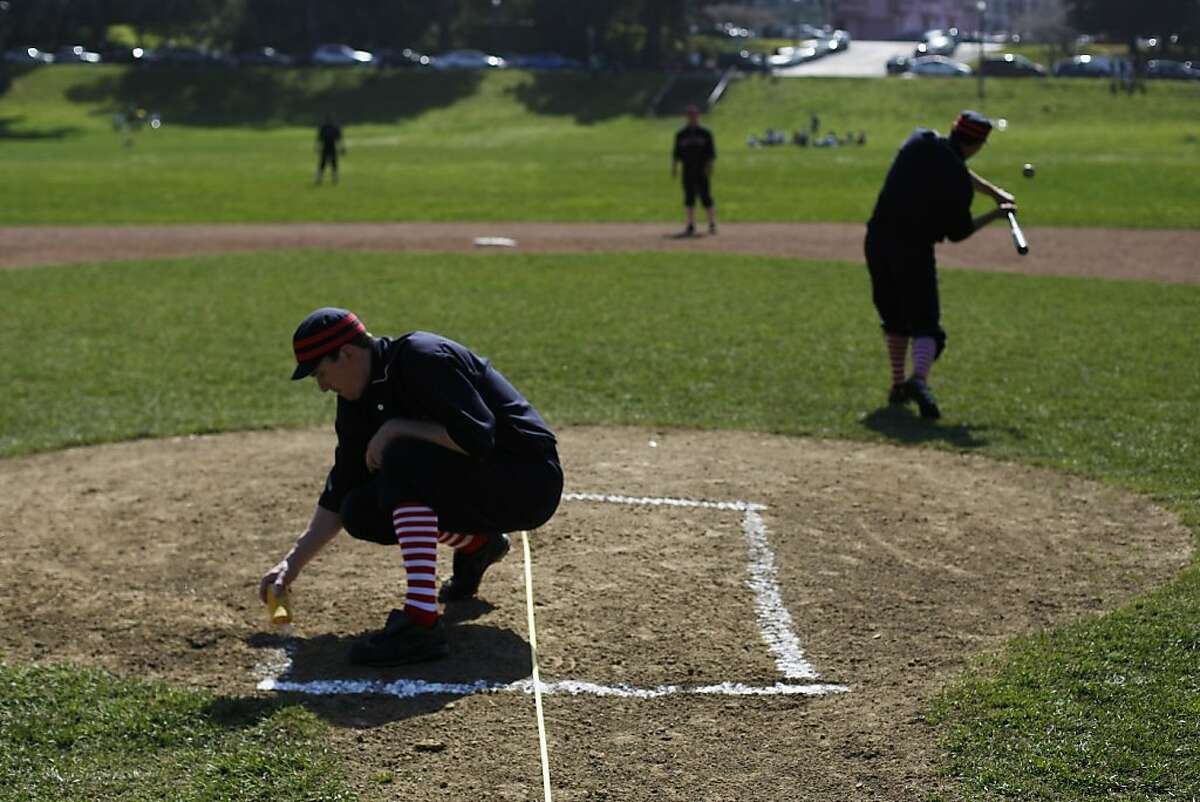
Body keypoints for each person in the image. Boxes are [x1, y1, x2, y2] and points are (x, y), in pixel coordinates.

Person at [259, 308, 564, 665]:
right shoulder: (357, 400)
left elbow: (479, 436)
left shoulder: (421, 358)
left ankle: (421, 625)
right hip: (481, 486)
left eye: (321, 373)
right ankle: (478, 545)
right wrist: (291, 565)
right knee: (359, 510)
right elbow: (342, 485)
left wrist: (396, 428)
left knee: (401, 456)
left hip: (527, 480)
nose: (323, 385)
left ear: (347, 354)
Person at [864, 110, 1016, 419]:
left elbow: (949, 161)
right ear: (977, 146)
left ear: (953, 129)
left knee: (893, 316)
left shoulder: (920, 140)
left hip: (877, 241)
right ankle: (919, 380)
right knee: (926, 324)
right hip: (914, 249)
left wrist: (992, 192)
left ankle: (897, 385)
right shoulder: (958, 184)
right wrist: (995, 213)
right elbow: (958, 233)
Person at [671, 104, 717, 236]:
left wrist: (709, 167)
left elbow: (711, 153)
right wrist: (674, 168)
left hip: (701, 170)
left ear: (698, 116)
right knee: (689, 197)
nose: (692, 117)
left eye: (694, 115)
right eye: (689, 115)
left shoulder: (705, 134)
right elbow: (676, 154)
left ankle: (712, 223)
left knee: (706, 197)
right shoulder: (681, 134)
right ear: (686, 117)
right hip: (687, 170)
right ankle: (690, 224)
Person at [315, 116, 345, 185]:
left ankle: (319, 179)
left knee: (322, 164)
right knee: (333, 164)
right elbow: (340, 139)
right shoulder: (335, 127)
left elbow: (319, 138)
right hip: (332, 148)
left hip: (325, 148)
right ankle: (335, 179)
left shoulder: (323, 128)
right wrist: (342, 148)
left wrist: (316, 147)